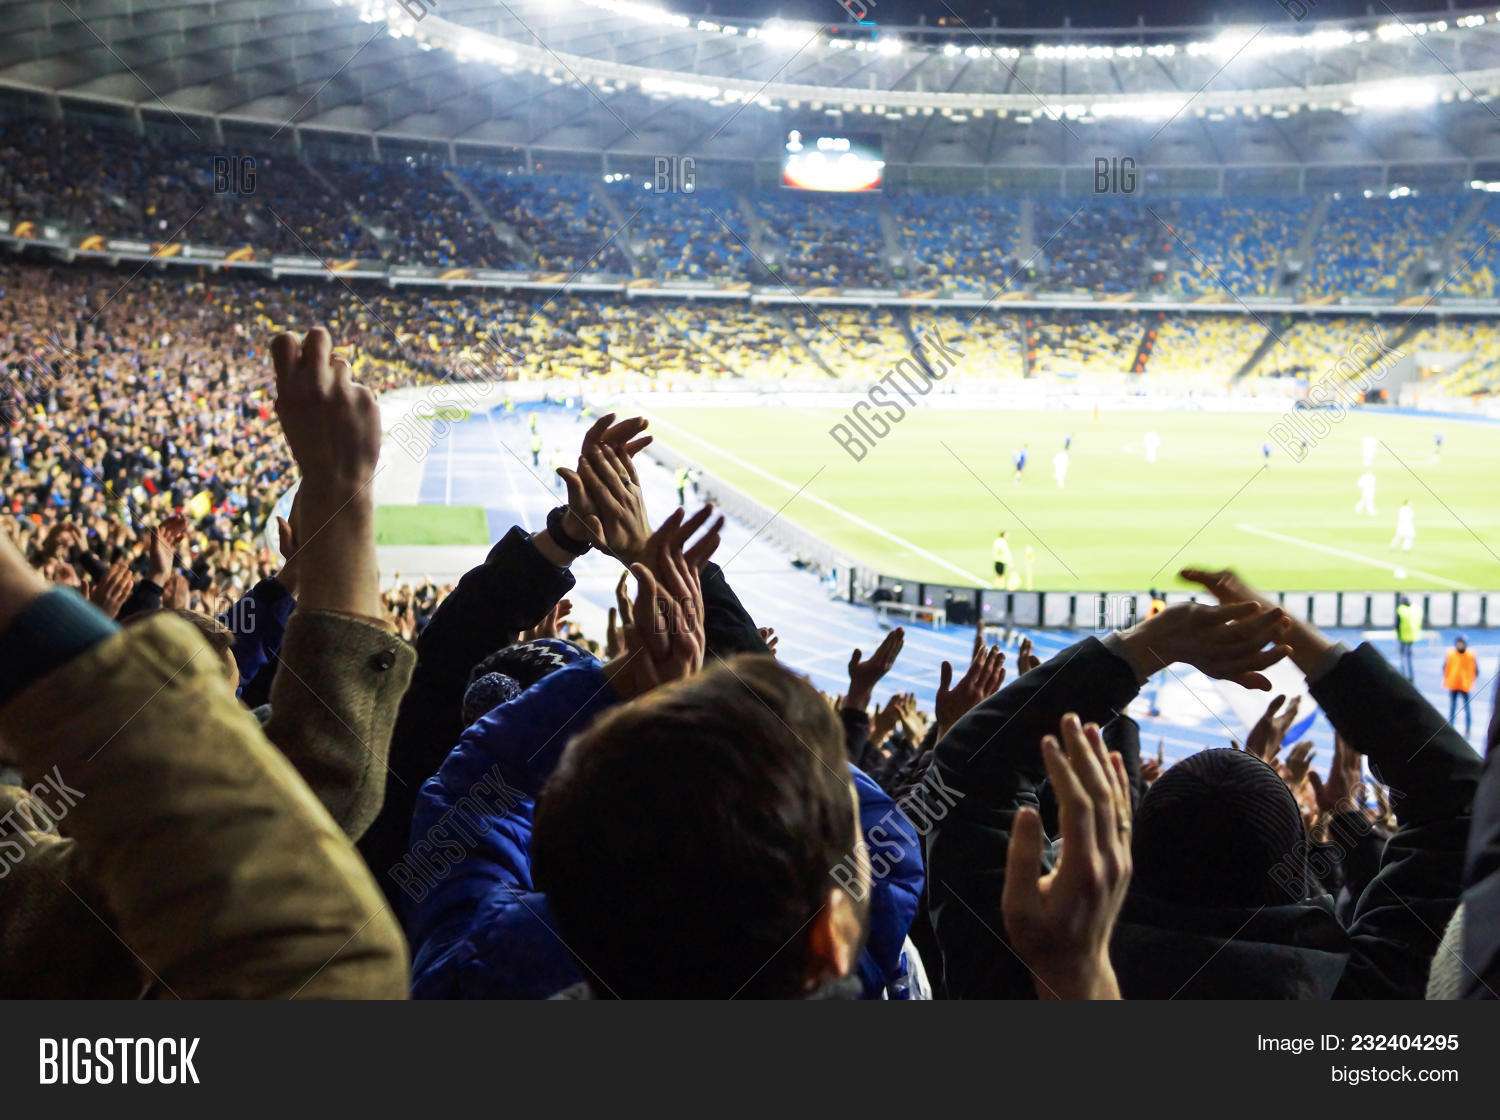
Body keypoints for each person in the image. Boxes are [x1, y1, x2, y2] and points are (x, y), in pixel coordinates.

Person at [923, 566, 1481, 999]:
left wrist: (1146, 646)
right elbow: (1460, 811)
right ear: (1300, 875)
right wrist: (1319, 657)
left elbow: (963, 778)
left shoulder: (1028, 957)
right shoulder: (1363, 1004)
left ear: (1124, 855)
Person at [1445, 635, 1478, 738]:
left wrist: (1470, 681)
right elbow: (1446, 667)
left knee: (1467, 708)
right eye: (1459, 643)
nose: (1460, 645)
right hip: (1454, 684)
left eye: (1462, 643)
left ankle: (1468, 728)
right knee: (1453, 707)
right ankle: (1451, 727)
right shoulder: (1451, 654)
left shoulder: (1470, 655)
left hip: (1465, 685)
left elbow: (1476, 670)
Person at [1395, 594, 1422, 681]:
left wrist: (1398, 634)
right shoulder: (1416, 609)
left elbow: (1397, 624)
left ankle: (1402, 673)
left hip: (1403, 635)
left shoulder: (1401, 610)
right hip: (1413, 635)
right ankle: (1411, 675)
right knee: (1409, 655)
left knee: (1402, 655)